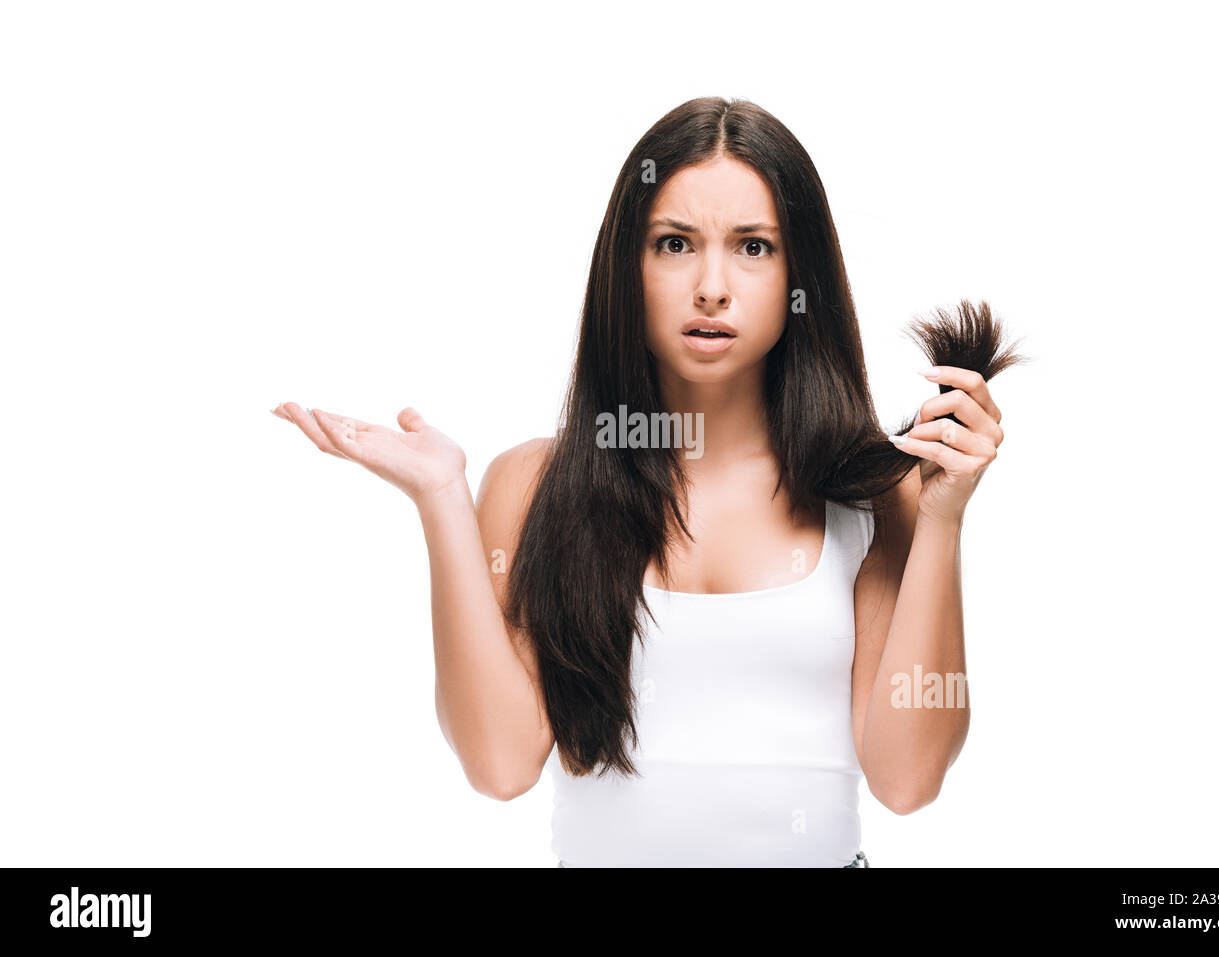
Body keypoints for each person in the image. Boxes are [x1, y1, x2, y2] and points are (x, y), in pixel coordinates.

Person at [272, 97, 1021, 867]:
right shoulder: (533, 485)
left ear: (803, 275)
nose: (712, 286)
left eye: (754, 247)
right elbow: (499, 765)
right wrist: (440, 500)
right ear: (627, 265)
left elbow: (907, 779)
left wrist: (942, 519)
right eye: (674, 243)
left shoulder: (870, 495)